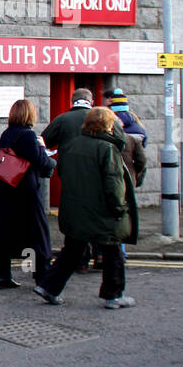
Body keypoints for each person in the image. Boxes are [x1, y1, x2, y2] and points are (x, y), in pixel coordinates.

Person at [34, 107, 138, 309]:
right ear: (108, 125)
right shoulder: (107, 149)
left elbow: (62, 172)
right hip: (101, 210)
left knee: (72, 250)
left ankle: (49, 286)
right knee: (112, 250)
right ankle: (113, 295)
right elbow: (114, 184)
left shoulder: (72, 145)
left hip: (75, 208)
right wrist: (120, 208)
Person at [0, 99, 57, 289]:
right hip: (25, 191)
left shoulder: (7, 133)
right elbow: (40, 161)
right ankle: (41, 277)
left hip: (5, 188)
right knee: (36, 233)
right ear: (30, 114)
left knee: (5, 232)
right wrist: (43, 148)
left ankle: (3, 276)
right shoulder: (28, 136)